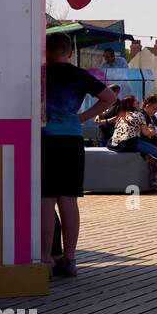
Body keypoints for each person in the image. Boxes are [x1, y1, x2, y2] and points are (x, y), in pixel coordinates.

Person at [41, 32, 117, 279]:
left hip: (46, 138)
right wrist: (82, 117)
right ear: (70, 52)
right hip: (72, 139)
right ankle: (70, 258)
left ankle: (45, 259)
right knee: (69, 200)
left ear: (47, 50)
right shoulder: (79, 75)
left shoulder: (41, 73)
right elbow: (109, 97)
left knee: (46, 199)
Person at [108, 94, 157, 187]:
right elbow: (146, 133)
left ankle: (146, 155)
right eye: (137, 102)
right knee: (156, 151)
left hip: (114, 143)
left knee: (145, 147)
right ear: (132, 104)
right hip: (129, 143)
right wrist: (152, 132)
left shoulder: (122, 114)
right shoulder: (138, 114)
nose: (139, 103)